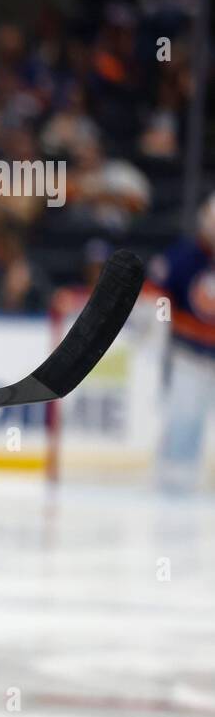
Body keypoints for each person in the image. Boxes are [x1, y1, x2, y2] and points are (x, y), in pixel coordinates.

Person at [153, 193, 215, 493]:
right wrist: (179, 326)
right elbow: (156, 299)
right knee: (183, 421)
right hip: (188, 359)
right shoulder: (183, 256)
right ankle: (170, 481)